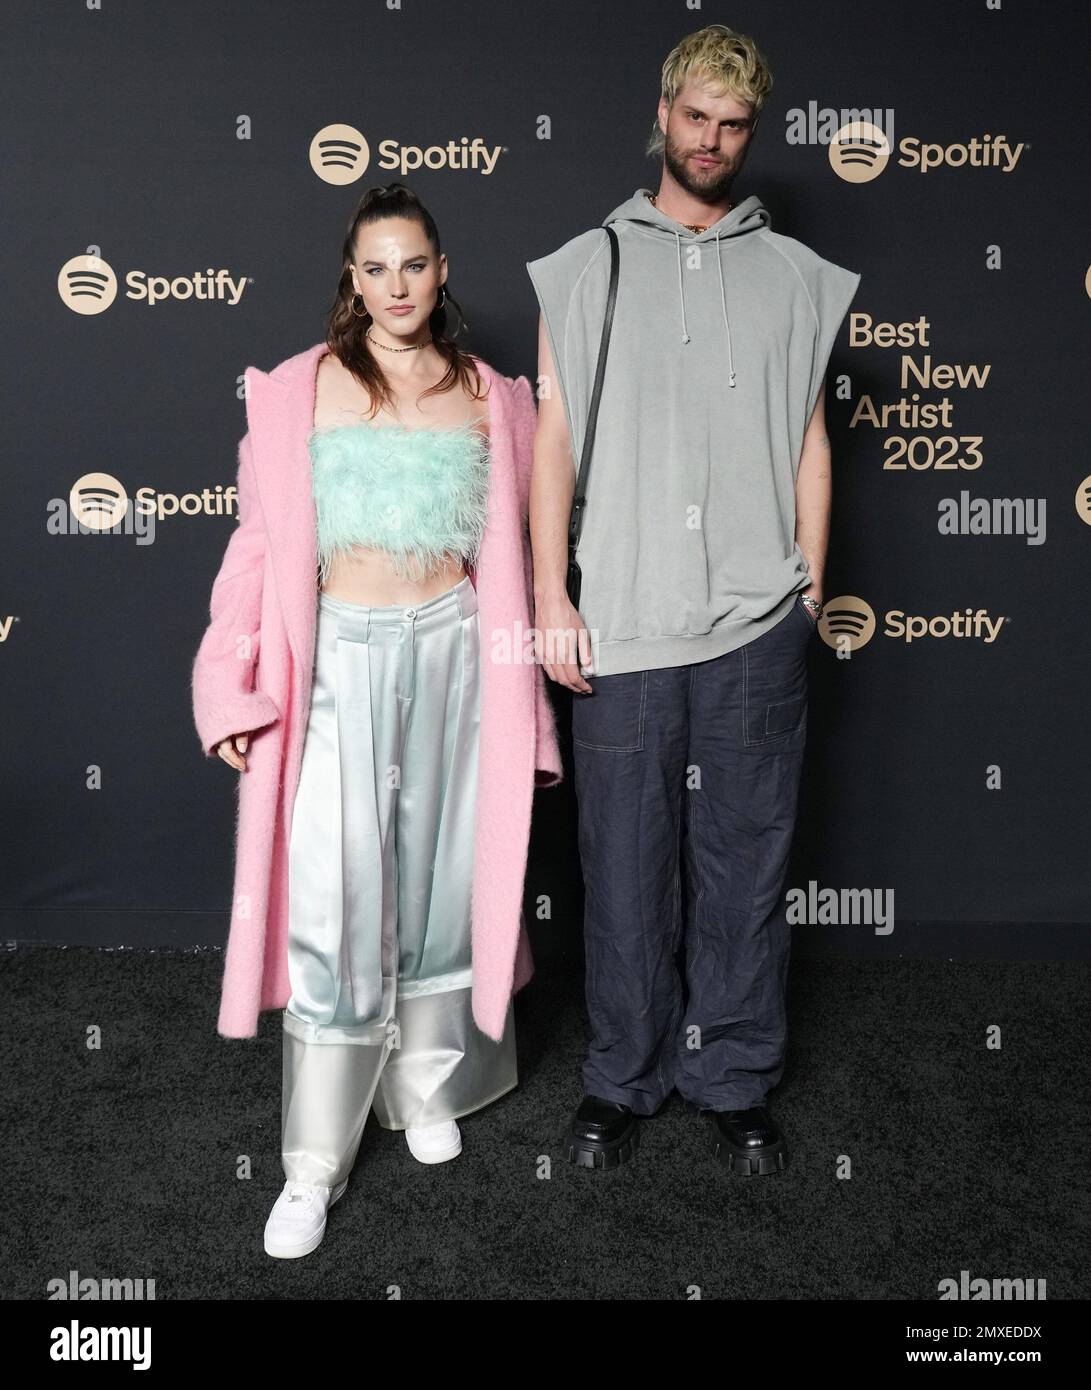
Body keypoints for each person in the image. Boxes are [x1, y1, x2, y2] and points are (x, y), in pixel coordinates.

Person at [191, 183, 563, 1258]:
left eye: (414, 264)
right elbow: (255, 554)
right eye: (375, 267)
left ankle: (427, 1084)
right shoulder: (294, 393)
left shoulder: (495, 396)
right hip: (338, 663)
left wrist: (524, 700)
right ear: (350, 281)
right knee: (335, 892)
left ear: (441, 271)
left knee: (446, 875)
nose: (395, 284)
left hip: (456, 657)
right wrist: (230, 685)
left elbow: (516, 565)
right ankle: (313, 1161)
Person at [526, 24, 861, 1174]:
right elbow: (553, 446)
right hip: (618, 620)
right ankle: (621, 1076)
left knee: (746, 865)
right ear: (661, 114)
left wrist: (807, 587)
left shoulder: (798, 278)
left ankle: (732, 1074)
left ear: (748, 134)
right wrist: (547, 595)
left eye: (734, 125)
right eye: (696, 117)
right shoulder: (583, 266)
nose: (712, 140)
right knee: (619, 869)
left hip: (754, 630)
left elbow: (812, 438)